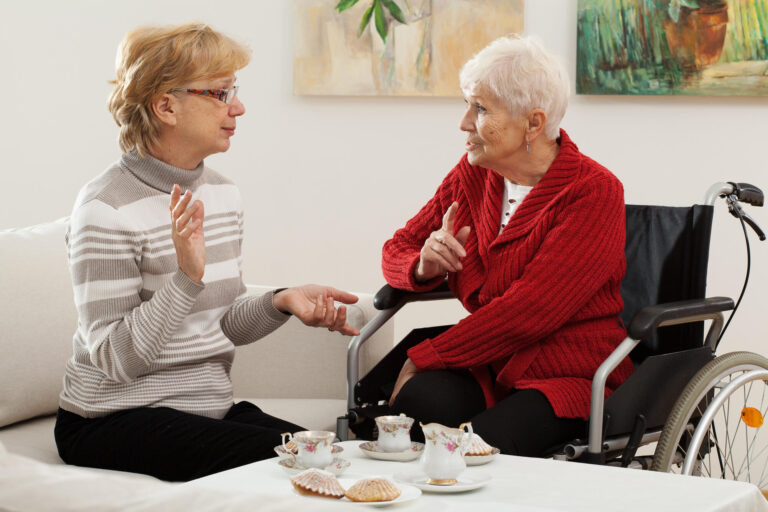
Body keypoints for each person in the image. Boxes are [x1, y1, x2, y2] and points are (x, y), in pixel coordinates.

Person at [54, 23, 360, 482]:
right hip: (110, 417)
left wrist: (280, 301)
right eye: (220, 93)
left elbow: (218, 326)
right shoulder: (105, 208)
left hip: (205, 410)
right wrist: (186, 276)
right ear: (165, 106)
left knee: (342, 459)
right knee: (299, 469)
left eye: (233, 91)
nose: (238, 107)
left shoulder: (222, 194)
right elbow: (116, 362)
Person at [382, 35, 633, 457]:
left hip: (568, 374)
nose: (464, 123)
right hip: (490, 363)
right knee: (415, 408)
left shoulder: (594, 192)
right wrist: (423, 266)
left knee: (477, 448)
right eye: (467, 105)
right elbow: (398, 247)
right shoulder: (475, 173)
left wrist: (425, 356)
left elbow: (529, 313)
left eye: (480, 109)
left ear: (533, 124)